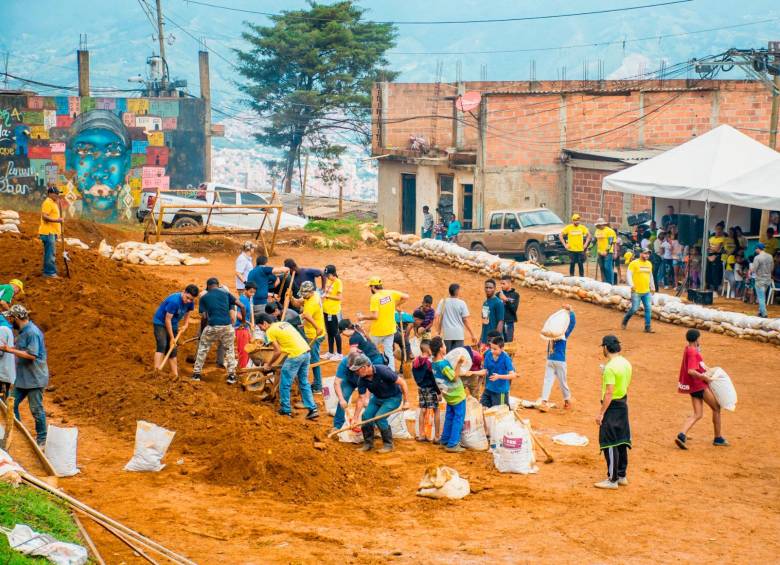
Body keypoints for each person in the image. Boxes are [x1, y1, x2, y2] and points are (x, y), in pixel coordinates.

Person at [1, 305, 49, 447]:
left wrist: (9, 350)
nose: (10, 321)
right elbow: (22, 349)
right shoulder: (23, 332)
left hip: (35, 378)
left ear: (17, 318)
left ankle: (42, 440)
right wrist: (9, 348)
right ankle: (21, 433)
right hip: (23, 378)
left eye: (11, 318)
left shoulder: (32, 332)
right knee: (11, 405)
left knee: (36, 409)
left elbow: (32, 355)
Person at [257, 314, 319, 420]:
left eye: (260, 327)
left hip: (295, 355)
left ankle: (286, 410)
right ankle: (312, 409)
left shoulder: (269, 331)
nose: (261, 330)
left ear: (265, 323)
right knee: (304, 382)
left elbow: (277, 351)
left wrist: (269, 364)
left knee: (285, 384)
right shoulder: (283, 323)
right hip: (306, 352)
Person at [675, 329, 728, 450]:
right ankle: (718, 438)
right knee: (716, 408)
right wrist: (704, 377)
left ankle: (681, 435)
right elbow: (691, 371)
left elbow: (696, 364)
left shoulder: (688, 348)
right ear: (697, 339)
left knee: (698, 414)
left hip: (692, 387)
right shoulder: (693, 351)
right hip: (699, 385)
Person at [351, 354, 409, 453]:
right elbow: (361, 398)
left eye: (357, 370)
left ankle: (388, 444)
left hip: (393, 398)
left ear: (364, 367)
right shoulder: (362, 379)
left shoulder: (383, 371)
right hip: (377, 398)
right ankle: (368, 444)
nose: (356, 372)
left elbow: (402, 382)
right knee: (366, 416)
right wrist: (355, 418)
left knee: (380, 417)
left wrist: (406, 402)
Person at [594, 335, 632, 490]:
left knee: (610, 442)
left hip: (612, 406)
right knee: (622, 440)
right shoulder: (625, 363)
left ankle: (612, 479)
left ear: (606, 348)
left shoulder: (610, 368)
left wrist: (601, 413)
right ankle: (622, 475)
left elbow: (609, 392)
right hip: (623, 403)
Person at [192, 278, 243, 384]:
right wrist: (242, 322)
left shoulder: (204, 297)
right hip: (227, 326)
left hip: (213, 326)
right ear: (218, 285)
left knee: (203, 349)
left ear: (208, 287)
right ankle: (232, 376)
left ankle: (196, 374)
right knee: (229, 350)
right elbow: (242, 306)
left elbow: (204, 317)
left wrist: (202, 332)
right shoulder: (226, 293)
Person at [357, 277, 408, 371]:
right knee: (389, 353)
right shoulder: (390, 293)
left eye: (370, 287)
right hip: (390, 329)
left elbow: (375, 316)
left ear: (373, 287)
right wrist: (395, 305)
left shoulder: (375, 298)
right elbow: (406, 296)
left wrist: (363, 317)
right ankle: (391, 372)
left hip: (378, 331)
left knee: (368, 350)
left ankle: (367, 370)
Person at [430, 337, 468, 453]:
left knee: (450, 417)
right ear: (441, 349)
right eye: (444, 345)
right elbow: (454, 377)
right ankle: (452, 444)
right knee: (458, 419)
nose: (445, 347)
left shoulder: (434, 364)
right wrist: (459, 363)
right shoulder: (443, 365)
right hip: (457, 395)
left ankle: (445, 440)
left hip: (449, 396)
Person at [152, 285, 198, 378]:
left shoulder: (190, 302)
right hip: (160, 322)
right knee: (162, 344)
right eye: (187, 298)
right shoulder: (174, 301)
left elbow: (188, 312)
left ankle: (175, 375)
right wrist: (172, 338)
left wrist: (186, 324)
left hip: (173, 323)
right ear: (184, 292)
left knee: (172, 349)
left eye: (191, 299)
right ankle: (156, 372)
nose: (188, 301)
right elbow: (167, 320)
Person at [540, 304, 576, 410]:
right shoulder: (563, 334)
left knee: (548, 380)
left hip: (550, 360)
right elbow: (572, 323)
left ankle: (544, 401)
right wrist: (571, 311)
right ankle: (567, 401)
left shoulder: (550, 335)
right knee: (562, 382)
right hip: (560, 361)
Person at [295, 281, 326, 392]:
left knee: (314, 361)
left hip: (314, 335)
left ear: (310, 292)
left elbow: (307, 316)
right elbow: (298, 302)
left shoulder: (312, 303)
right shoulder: (314, 295)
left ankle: (318, 386)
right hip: (311, 332)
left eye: (304, 293)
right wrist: (291, 298)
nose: (303, 296)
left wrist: (317, 327)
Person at [411, 339, 441, 442]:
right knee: (436, 409)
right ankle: (437, 437)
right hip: (430, 389)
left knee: (423, 410)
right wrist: (438, 392)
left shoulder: (415, 362)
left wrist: (419, 384)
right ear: (428, 350)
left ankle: (422, 434)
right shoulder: (429, 363)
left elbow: (414, 376)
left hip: (421, 389)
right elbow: (433, 379)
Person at [476, 336, 515, 408]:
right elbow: (485, 371)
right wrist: (472, 372)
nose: (492, 351)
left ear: (502, 349)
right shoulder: (488, 355)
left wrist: (498, 376)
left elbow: (513, 375)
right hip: (488, 389)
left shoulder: (506, 358)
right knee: (482, 408)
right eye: (491, 348)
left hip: (500, 392)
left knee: (500, 413)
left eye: (495, 349)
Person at [622, 248, 655, 333]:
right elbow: (629, 274)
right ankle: (625, 320)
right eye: (645, 253)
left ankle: (647, 327)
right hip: (636, 291)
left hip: (646, 291)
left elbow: (650, 276)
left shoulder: (649, 264)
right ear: (640, 253)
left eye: (648, 254)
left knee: (648, 308)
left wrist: (652, 286)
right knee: (634, 309)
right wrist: (631, 285)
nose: (647, 255)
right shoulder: (634, 263)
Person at [434, 283, 476, 351]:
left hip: (447, 333)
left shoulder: (443, 301)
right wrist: (472, 334)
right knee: (457, 356)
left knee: (447, 355)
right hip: (458, 334)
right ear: (457, 291)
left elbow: (436, 316)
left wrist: (437, 331)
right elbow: (465, 320)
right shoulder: (462, 303)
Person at [332, 352, 364, 431]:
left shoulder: (366, 364)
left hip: (364, 380)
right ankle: (338, 425)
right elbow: (336, 382)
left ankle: (369, 426)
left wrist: (355, 417)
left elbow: (362, 397)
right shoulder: (344, 361)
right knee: (344, 396)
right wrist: (341, 399)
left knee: (368, 402)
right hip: (349, 380)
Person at [39, 186, 64, 278]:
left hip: (52, 232)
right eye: (55, 193)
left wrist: (58, 201)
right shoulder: (47, 203)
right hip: (48, 232)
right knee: (50, 253)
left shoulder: (53, 202)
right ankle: (49, 273)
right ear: (49, 194)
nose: (57, 195)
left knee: (50, 252)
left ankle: (50, 270)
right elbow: (44, 217)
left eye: (58, 193)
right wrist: (58, 220)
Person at [322, 265, 343, 359]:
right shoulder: (329, 281)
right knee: (329, 332)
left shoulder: (338, 282)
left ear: (332, 273)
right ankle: (330, 352)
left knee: (335, 332)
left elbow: (339, 297)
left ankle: (339, 353)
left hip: (333, 311)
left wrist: (327, 296)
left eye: (328, 274)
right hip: (326, 309)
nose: (326, 276)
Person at [235, 281, 256, 369]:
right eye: (251, 292)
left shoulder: (248, 299)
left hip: (245, 328)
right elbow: (238, 314)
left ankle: (242, 367)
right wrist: (248, 322)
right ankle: (242, 369)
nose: (252, 294)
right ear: (245, 290)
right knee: (243, 351)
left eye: (254, 292)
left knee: (246, 350)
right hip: (241, 328)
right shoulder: (242, 299)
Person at [751, 242, 774, 318]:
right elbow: (772, 268)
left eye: (756, 249)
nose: (755, 250)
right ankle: (760, 312)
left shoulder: (757, 258)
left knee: (761, 297)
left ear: (758, 248)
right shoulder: (770, 256)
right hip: (768, 279)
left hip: (760, 280)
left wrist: (750, 271)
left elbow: (754, 269)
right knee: (762, 296)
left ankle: (764, 314)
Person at [480, 279, 505, 345]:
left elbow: (500, 322)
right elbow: (484, 322)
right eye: (486, 287)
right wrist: (481, 338)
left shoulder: (498, 303)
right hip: (485, 339)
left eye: (490, 288)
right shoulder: (485, 303)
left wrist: (496, 340)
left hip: (493, 340)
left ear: (494, 289)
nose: (488, 290)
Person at [594, 218, 617, 284]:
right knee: (602, 267)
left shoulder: (610, 231)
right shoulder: (597, 231)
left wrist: (606, 251)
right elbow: (594, 240)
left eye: (601, 224)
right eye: (599, 225)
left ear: (604, 224)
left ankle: (610, 283)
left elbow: (610, 242)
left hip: (608, 253)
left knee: (607, 267)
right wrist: (589, 248)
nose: (600, 226)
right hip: (599, 252)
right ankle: (604, 282)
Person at [498, 275, 519, 343]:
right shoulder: (498, 294)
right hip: (499, 323)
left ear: (509, 284)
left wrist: (506, 300)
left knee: (508, 343)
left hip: (509, 323)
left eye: (503, 283)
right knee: (498, 342)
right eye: (501, 283)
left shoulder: (515, 295)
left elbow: (514, 308)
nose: (501, 285)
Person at [706, 222, 727, 292]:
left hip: (717, 257)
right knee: (708, 271)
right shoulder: (711, 237)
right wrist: (712, 249)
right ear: (715, 229)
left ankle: (715, 288)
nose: (718, 231)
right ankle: (708, 287)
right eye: (717, 229)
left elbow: (718, 250)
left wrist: (712, 249)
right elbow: (707, 247)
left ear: (722, 230)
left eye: (720, 229)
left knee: (715, 273)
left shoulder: (723, 238)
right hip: (709, 256)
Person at [0, 311, 15, 401]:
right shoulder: (7, 329)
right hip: (6, 371)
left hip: (2, 372)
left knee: (2, 403)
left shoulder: (2, 329)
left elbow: (1, 351)